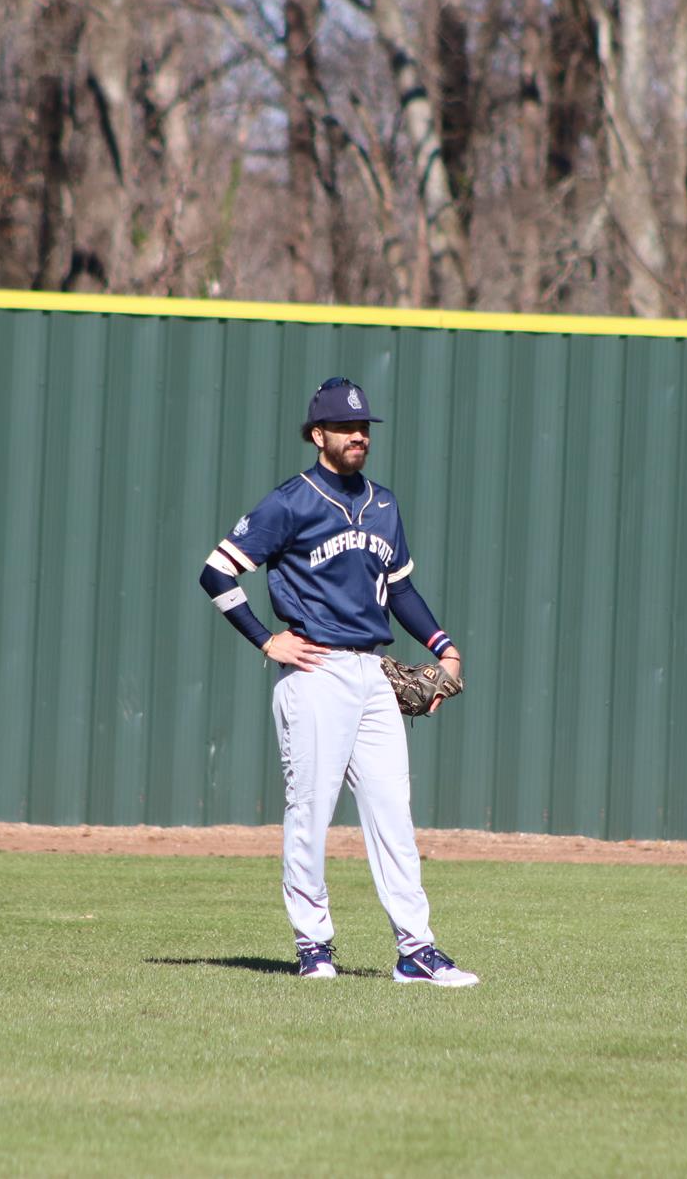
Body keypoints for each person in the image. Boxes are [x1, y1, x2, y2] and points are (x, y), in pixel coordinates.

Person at [198, 377, 479, 987]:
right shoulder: (290, 502)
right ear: (317, 434)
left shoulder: (383, 504)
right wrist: (266, 639)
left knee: (393, 815)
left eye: (365, 428)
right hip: (315, 669)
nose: (359, 436)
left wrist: (443, 646)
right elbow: (217, 572)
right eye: (347, 428)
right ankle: (313, 945)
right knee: (311, 813)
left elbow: (399, 589)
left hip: (373, 673)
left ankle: (416, 951)